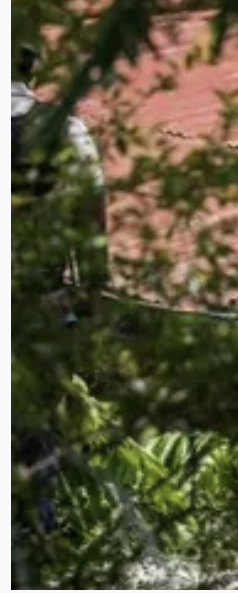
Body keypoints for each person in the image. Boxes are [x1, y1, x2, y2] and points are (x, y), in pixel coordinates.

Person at [12, 42, 109, 536]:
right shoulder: (65, 128)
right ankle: (37, 531)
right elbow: (92, 213)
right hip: (38, 300)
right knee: (33, 426)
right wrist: (94, 294)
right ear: (33, 67)